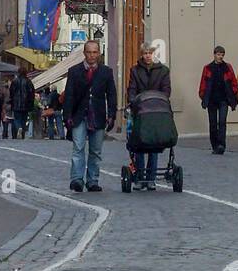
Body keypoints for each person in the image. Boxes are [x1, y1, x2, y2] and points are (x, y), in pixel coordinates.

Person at [62, 40, 117, 192]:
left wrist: (112, 114)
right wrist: (67, 116)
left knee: (95, 151)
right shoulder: (75, 71)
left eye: (94, 52)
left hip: (98, 115)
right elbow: (69, 95)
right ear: (84, 53)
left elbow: (111, 94)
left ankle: (92, 180)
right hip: (79, 115)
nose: (92, 55)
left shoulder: (106, 72)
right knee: (78, 148)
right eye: (89, 52)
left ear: (98, 53)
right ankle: (77, 179)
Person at [127, 43, 171, 190]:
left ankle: (151, 178)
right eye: (145, 53)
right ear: (141, 54)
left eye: (150, 53)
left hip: (157, 111)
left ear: (154, 54)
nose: (147, 55)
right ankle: (140, 177)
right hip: (140, 110)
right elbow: (132, 89)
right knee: (139, 143)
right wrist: (134, 101)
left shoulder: (163, 71)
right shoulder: (135, 70)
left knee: (154, 143)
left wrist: (159, 100)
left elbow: (166, 90)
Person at [198, 47, 238, 155]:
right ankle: (214, 145)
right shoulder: (208, 68)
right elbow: (203, 84)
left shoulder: (227, 67)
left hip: (223, 99)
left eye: (222, 55)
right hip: (211, 100)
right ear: (214, 55)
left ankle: (221, 145)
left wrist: (234, 95)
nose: (220, 57)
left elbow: (233, 82)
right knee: (213, 123)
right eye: (219, 54)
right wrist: (203, 96)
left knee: (222, 122)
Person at [7, 65, 34, 138]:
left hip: (16, 104)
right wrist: (31, 104)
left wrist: (11, 101)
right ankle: (22, 134)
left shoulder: (15, 81)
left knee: (17, 119)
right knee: (24, 119)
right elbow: (31, 93)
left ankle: (19, 128)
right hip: (26, 104)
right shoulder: (28, 81)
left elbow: (11, 92)